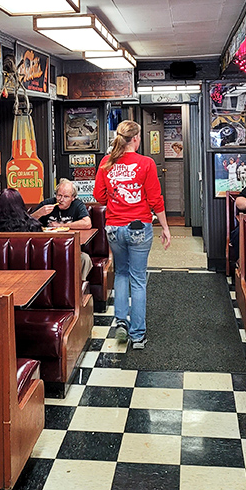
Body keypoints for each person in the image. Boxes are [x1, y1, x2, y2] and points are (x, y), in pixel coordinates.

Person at [93, 120, 171, 349]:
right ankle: (137, 336)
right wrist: (165, 227)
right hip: (139, 226)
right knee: (138, 280)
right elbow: (155, 199)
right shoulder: (146, 163)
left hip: (114, 228)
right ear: (136, 139)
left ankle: (120, 323)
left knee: (121, 273)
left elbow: (99, 196)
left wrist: (116, 201)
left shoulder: (106, 163)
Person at [32, 179, 93, 280]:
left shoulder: (77, 205)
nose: (61, 199)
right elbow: (27, 222)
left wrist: (63, 225)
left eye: (66, 197)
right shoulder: (47, 204)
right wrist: (39, 213)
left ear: (73, 198)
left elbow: (87, 223)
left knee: (84, 259)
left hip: (70, 248)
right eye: (59, 195)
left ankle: (77, 289)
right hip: (46, 249)